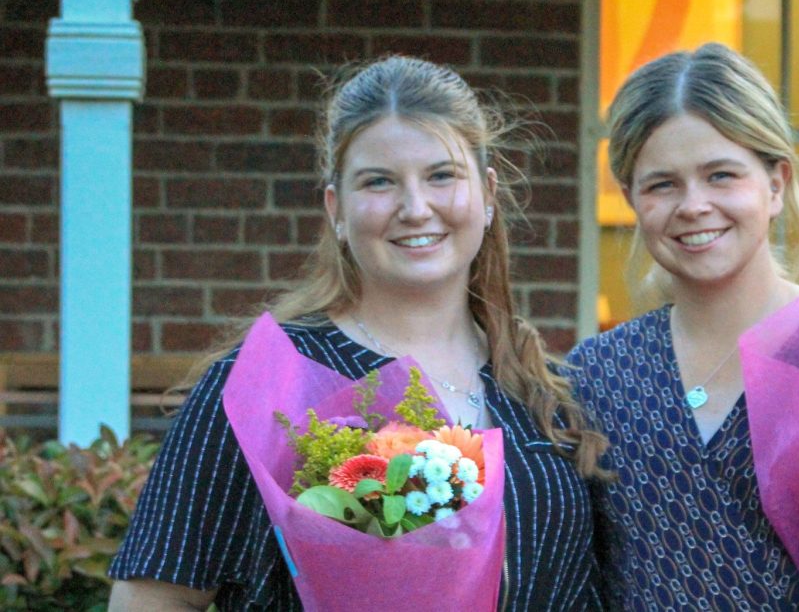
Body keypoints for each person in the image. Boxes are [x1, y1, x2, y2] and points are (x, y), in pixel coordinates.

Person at [108, 55, 607, 611]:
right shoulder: (273, 383)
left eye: (442, 175)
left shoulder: (548, 393)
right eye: (379, 182)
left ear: (488, 195)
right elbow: (152, 595)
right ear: (336, 209)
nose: (416, 208)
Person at [567, 43, 799, 611]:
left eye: (721, 175)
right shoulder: (595, 375)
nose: (693, 204)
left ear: (776, 184)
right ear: (632, 198)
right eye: (662, 184)